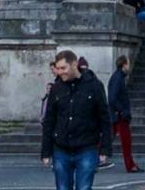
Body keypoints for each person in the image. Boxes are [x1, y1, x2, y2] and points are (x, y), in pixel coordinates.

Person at [40, 49, 110, 190]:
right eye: (58, 68)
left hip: (86, 147)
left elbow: (104, 118)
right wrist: (46, 151)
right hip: (61, 148)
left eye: (63, 68)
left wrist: (105, 148)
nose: (60, 72)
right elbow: (49, 120)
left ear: (74, 64)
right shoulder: (56, 88)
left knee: (84, 187)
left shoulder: (94, 86)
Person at [106, 57, 142, 173]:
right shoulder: (118, 78)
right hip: (120, 115)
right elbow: (112, 98)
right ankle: (130, 165)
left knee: (107, 139)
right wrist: (122, 110)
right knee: (126, 141)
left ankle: (91, 159)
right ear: (124, 65)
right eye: (128, 64)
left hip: (117, 114)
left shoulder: (117, 77)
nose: (129, 66)